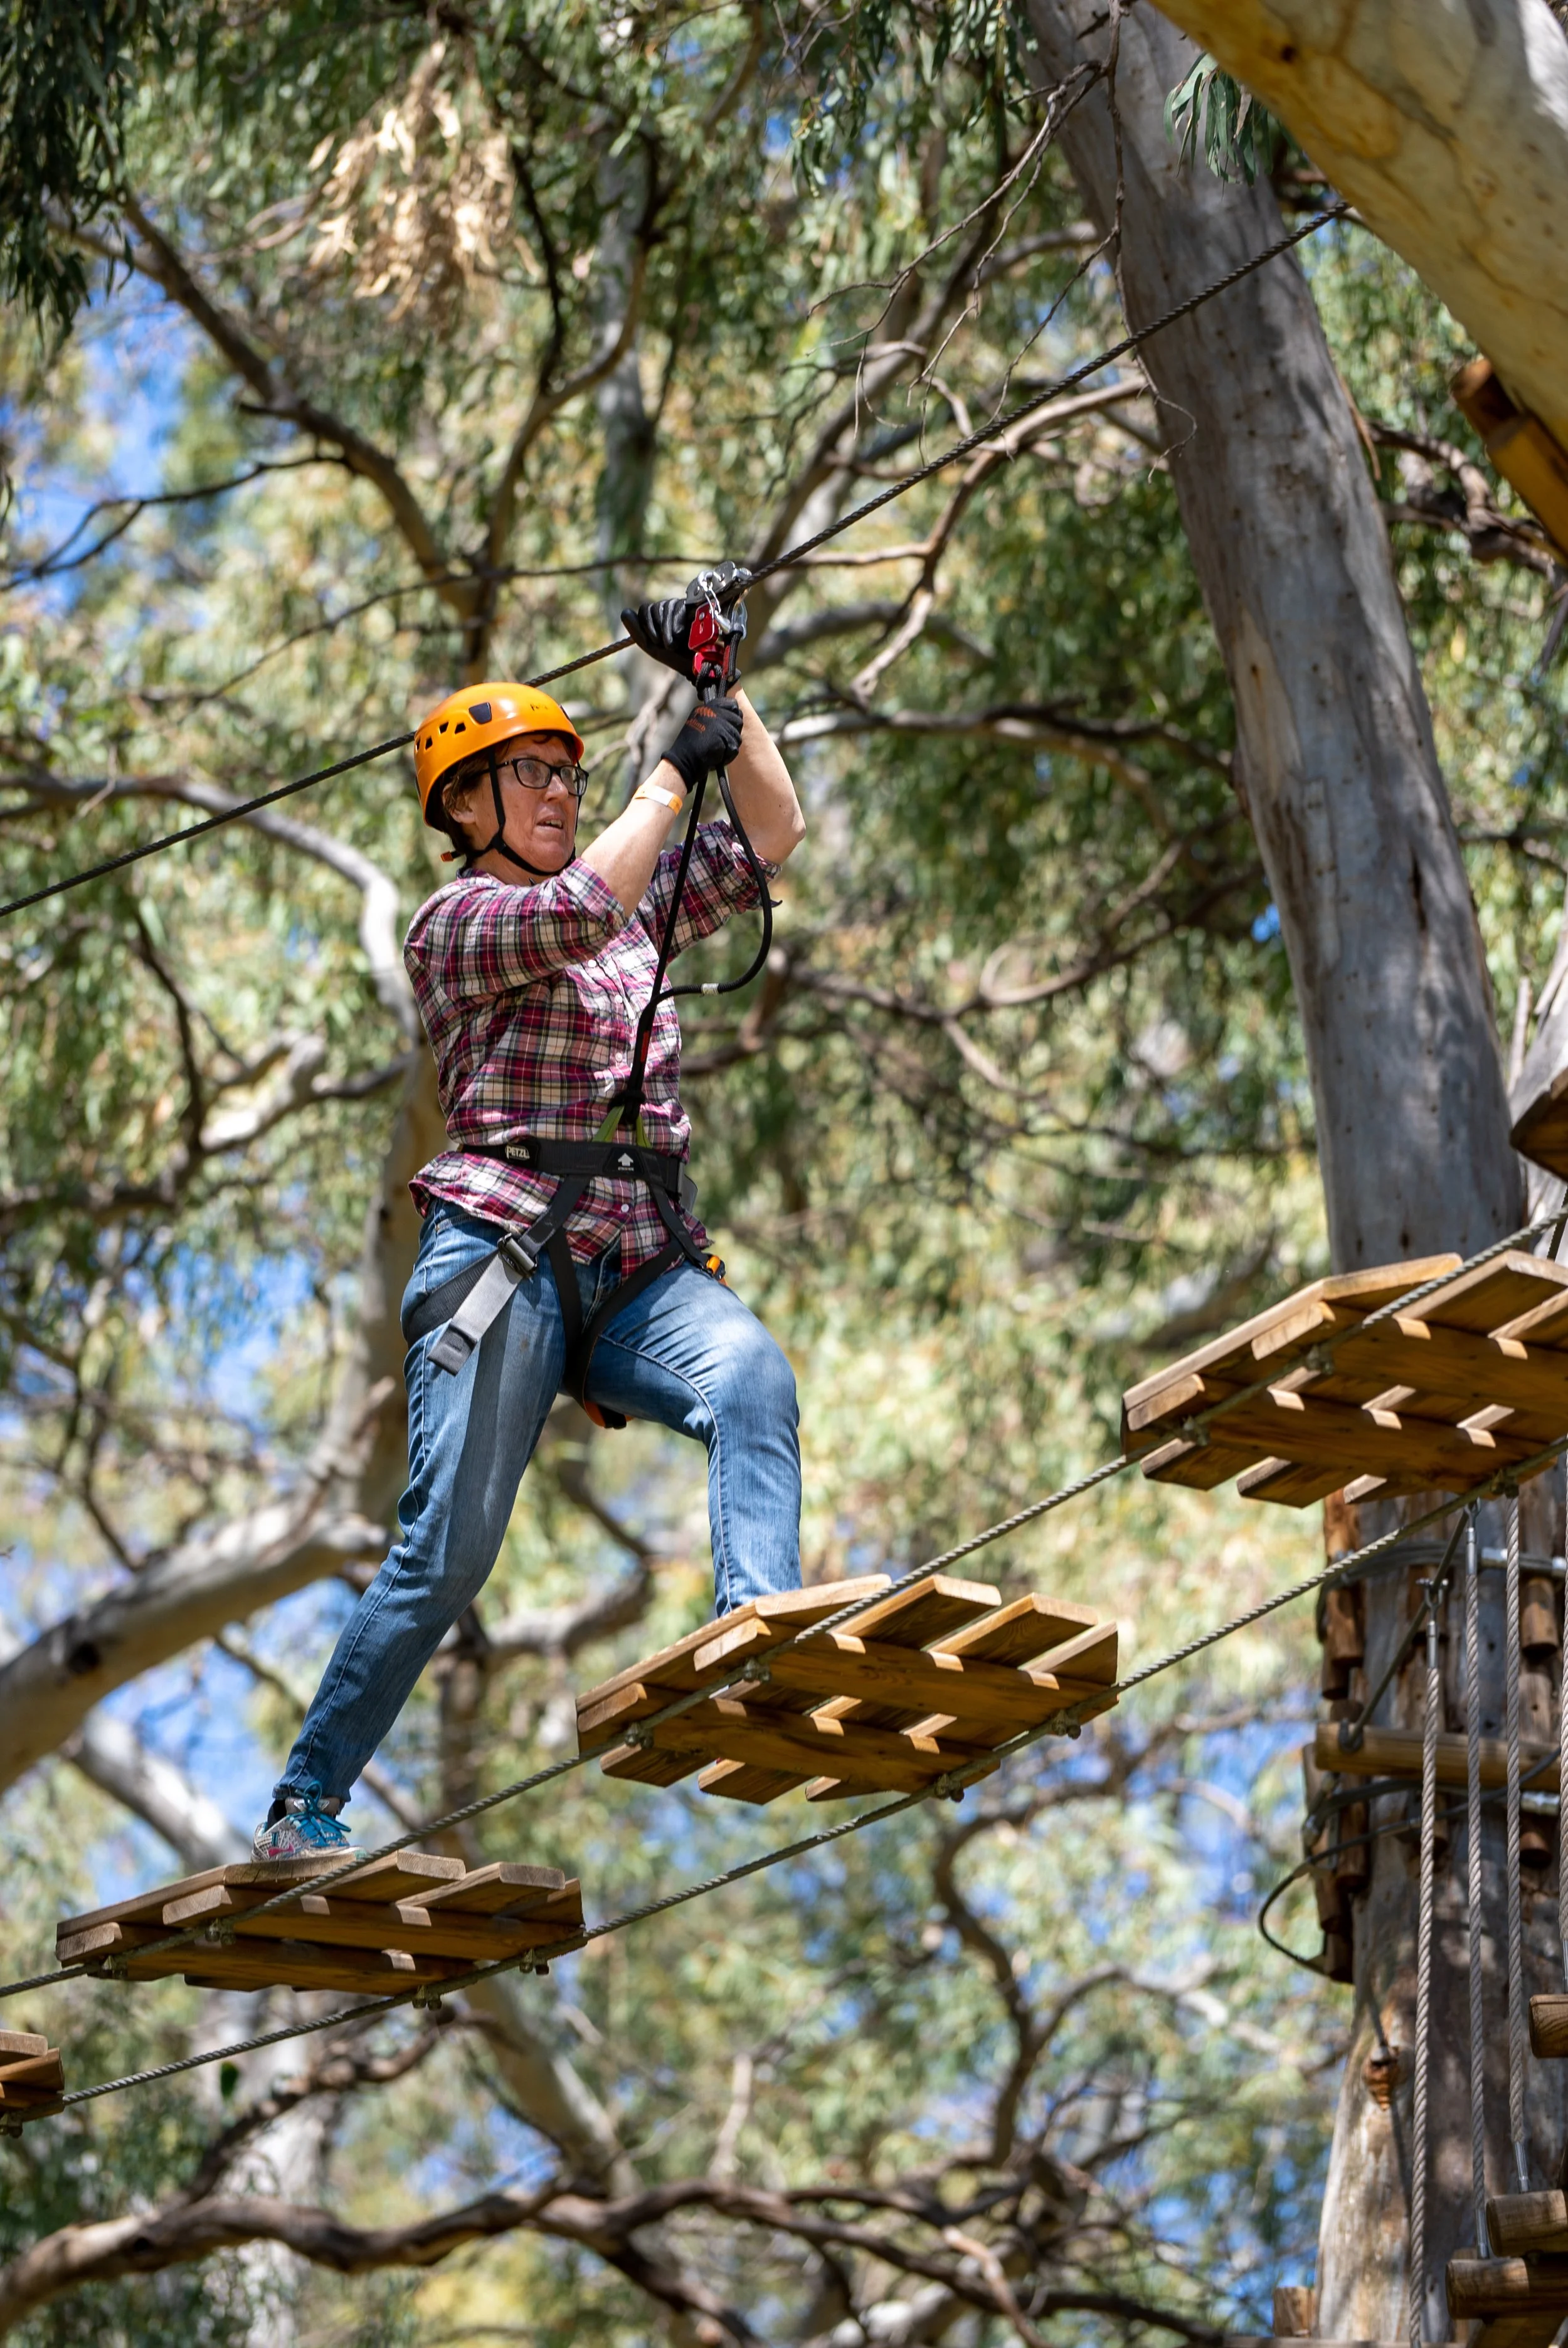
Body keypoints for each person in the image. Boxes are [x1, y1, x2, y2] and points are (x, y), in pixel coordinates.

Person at [252, 585, 808, 1860]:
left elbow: (771, 830)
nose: (558, 792)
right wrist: (667, 772)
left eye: (567, 771)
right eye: (527, 776)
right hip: (501, 1255)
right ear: (464, 807)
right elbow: (576, 914)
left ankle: (756, 1632)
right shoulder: (456, 926)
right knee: (445, 1548)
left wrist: (725, 696)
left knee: (750, 1376)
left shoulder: (634, 905)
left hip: (634, 1257)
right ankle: (304, 1804)